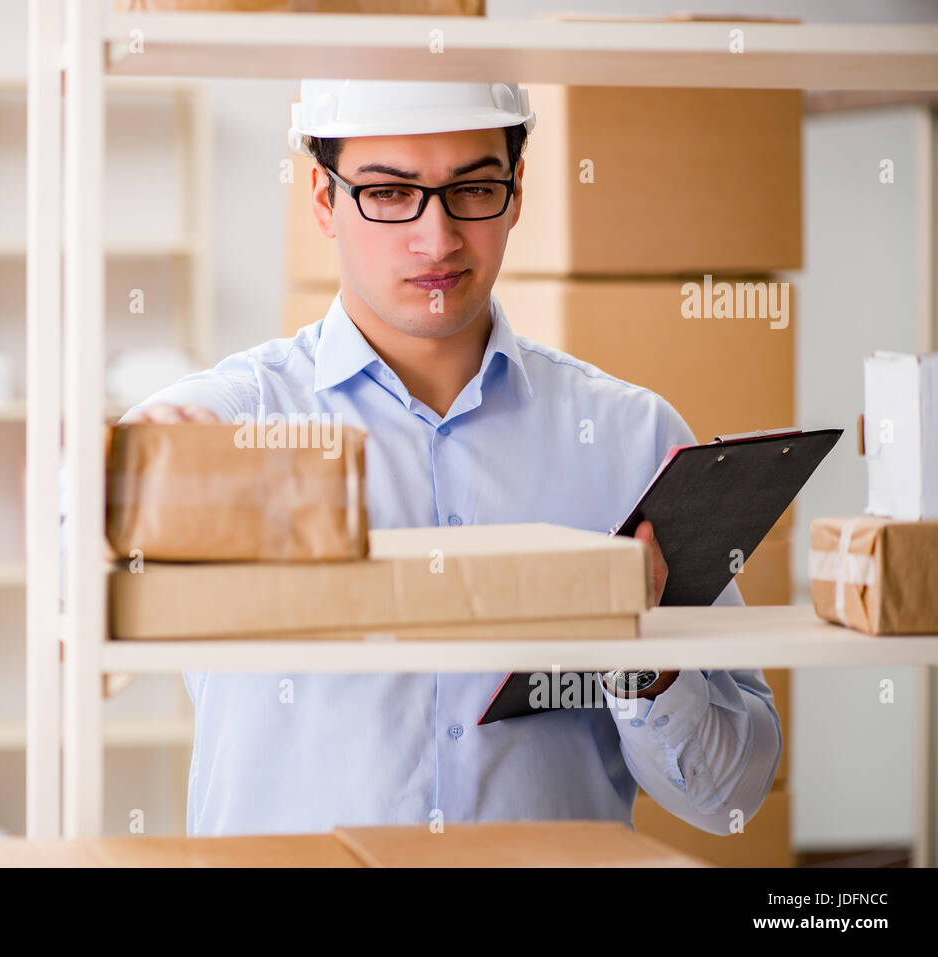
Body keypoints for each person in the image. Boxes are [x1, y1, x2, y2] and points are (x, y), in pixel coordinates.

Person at [121, 79, 781, 838]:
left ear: (517, 190)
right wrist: (132, 469)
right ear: (322, 198)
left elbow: (730, 796)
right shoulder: (246, 417)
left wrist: (645, 664)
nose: (436, 240)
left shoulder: (632, 438)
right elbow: (94, 508)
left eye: (472, 188)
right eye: (389, 193)